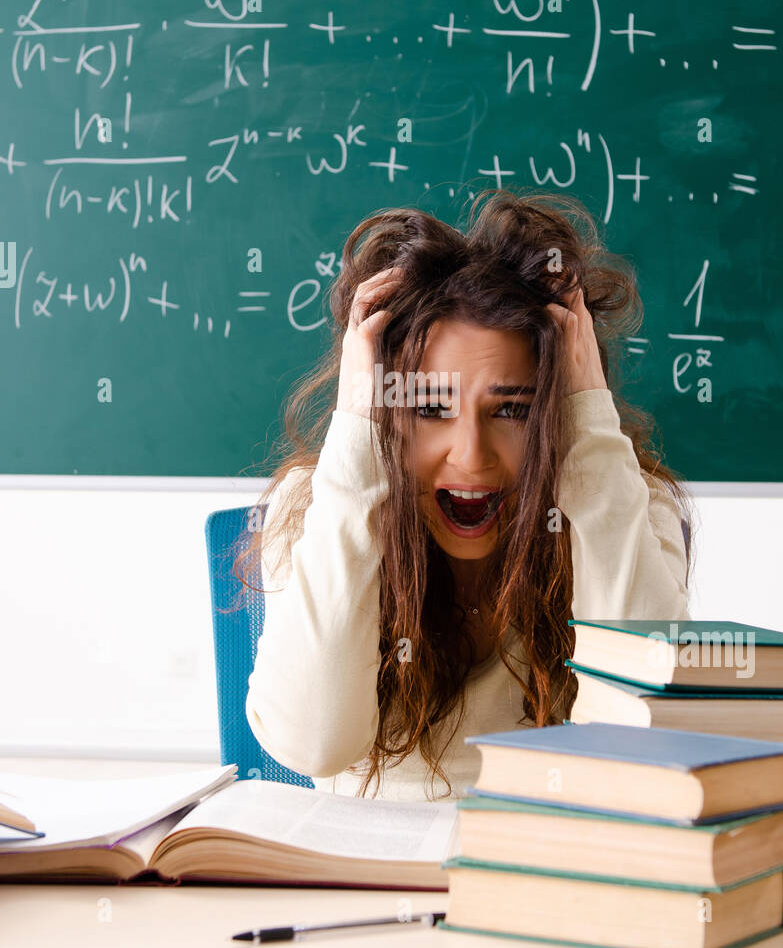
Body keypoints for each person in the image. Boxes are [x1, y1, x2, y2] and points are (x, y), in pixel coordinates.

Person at [239, 188, 693, 802]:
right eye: (429, 407)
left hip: (557, 883)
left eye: (513, 408)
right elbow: (316, 743)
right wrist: (355, 446)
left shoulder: (623, 503)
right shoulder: (316, 510)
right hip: (366, 887)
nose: (471, 455)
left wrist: (590, 430)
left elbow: (649, 739)